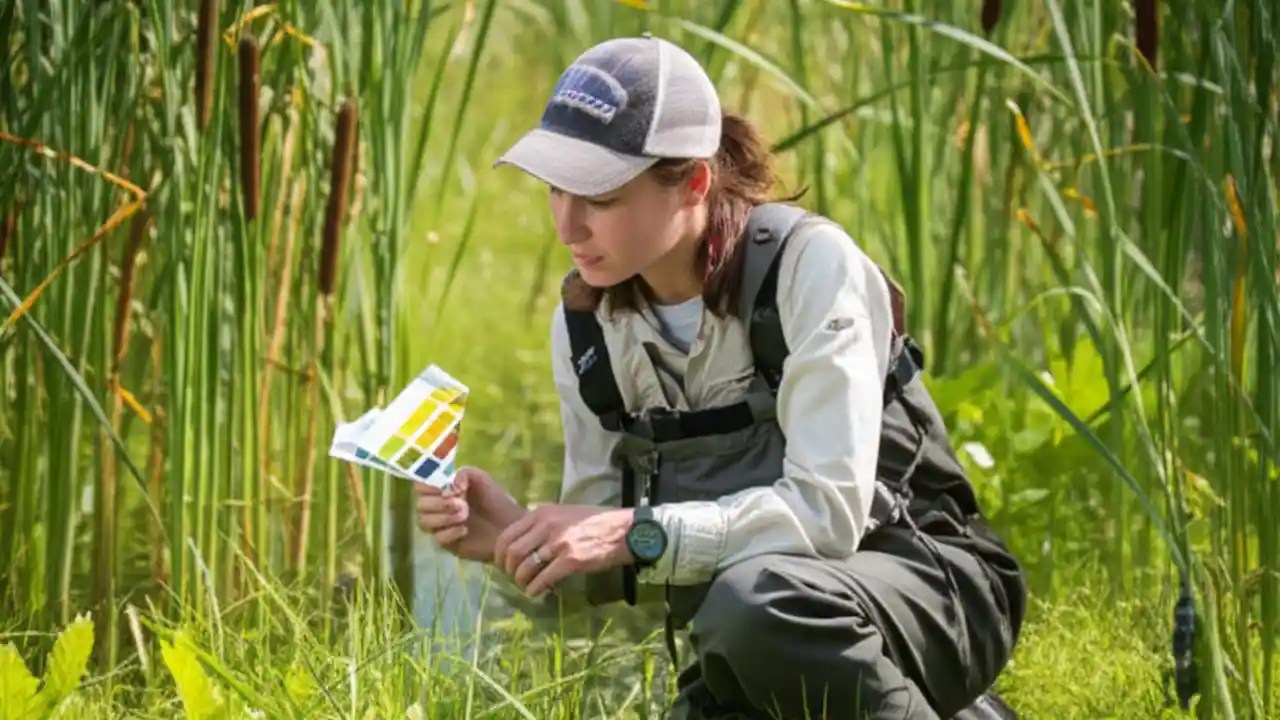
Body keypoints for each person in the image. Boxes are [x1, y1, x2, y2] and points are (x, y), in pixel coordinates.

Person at [414, 33, 1026, 720]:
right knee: (744, 619)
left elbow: (824, 518)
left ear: (695, 183)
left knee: (752, 606)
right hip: (752, 632)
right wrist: (514, 537)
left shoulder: (810, 268)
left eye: (601, 197)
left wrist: (626, 532)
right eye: (557, 188)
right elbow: (614, 553)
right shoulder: (587, 328)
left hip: (930, 586)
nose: (568, 227)